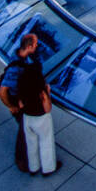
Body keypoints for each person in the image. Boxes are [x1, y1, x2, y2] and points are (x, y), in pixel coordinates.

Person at [15, 34, 60, 177]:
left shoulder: (21, 81)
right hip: (40, 116)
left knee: (31, 143)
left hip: (27, 116)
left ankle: (33, 168)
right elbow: (46, 103)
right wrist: (47, 100)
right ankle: (48, 168)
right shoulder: (39, 84)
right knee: (46, 142)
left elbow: (20, 102)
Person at [0, 34, 43, 170]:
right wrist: (12, 106)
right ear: (29, 46)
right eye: (35, 45)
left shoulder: (19, 56)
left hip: (21, 98)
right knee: (24, 132)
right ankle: (22, 161)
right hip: (18, 102)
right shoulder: (16, 68)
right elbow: (2, 91)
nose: (37, 46)